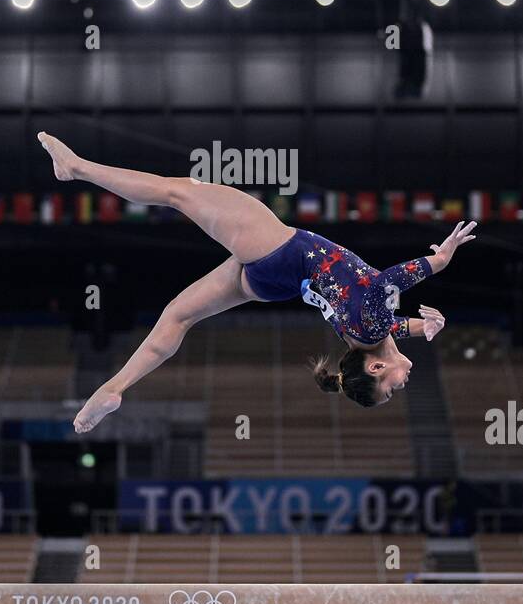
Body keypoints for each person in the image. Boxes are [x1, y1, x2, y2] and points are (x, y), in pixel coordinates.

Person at [37, 133, 478, 432]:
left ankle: (75, 168)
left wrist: (438, 260)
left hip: (280, 250)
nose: (401, 385)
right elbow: (387, 323)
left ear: (377, 368)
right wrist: (423, 327)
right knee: (178, 315)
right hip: (272, 283)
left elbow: (386, 284)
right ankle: (115, 387)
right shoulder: (366, 335)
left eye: (390, 387)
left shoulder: (372, 323)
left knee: (177, 192)